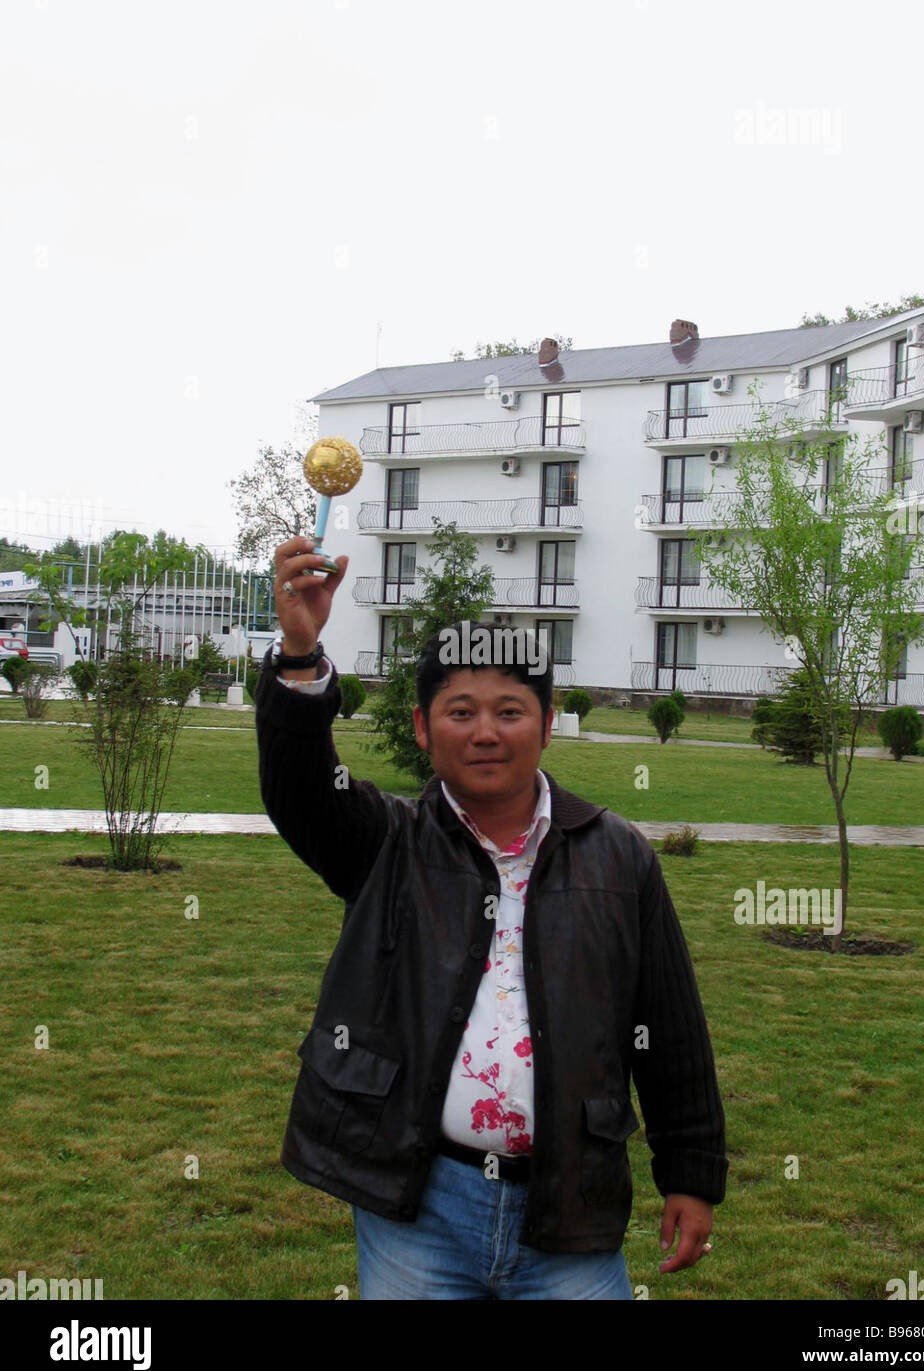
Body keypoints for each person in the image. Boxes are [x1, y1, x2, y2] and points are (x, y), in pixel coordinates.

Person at [255, 536, 728, 1300]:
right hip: (419, 1211)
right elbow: (301, 790)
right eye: (460, 711)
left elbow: (667, 1025)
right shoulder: (385, 843)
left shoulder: (617, 857)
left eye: (509, 711)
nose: (484, 732)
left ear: (545, 725)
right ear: (422, 727)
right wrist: (300, 656)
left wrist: (692, 1173)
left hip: (568, 1208)